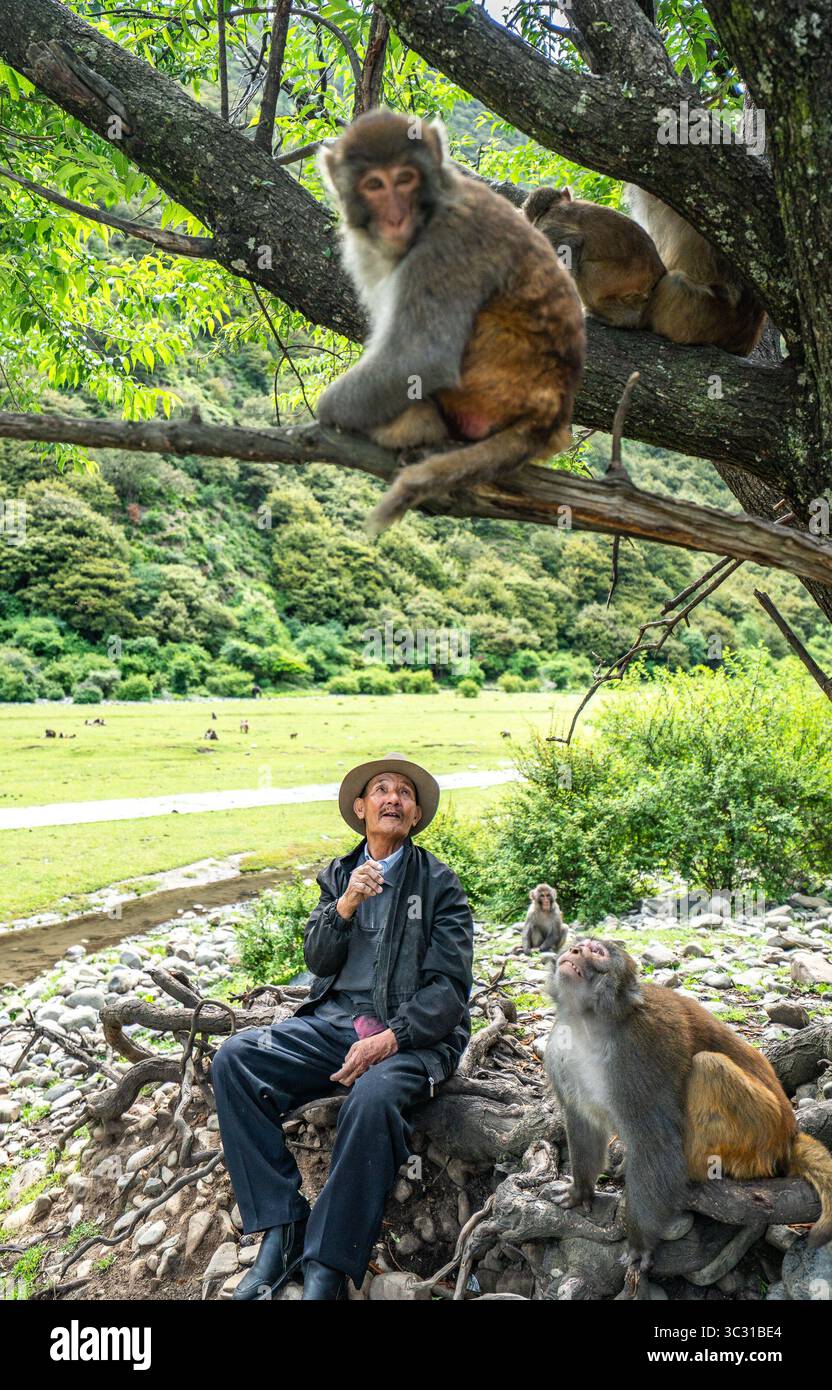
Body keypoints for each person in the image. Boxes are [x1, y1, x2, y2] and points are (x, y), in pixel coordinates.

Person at [212, 751, 474, 1300]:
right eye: (382, 790)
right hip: (336, 1025)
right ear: (361, 808)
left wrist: (389, 1039)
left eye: (405, 793)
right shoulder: (338, 874)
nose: (394, 799)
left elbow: (449, 992)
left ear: (416, 815)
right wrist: (348, 901)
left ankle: (328, 1265)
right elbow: (319, 958)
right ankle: (282, 1228)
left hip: (410, 1037)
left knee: (372, 1099)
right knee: (236, 1058)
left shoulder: (439, 884)